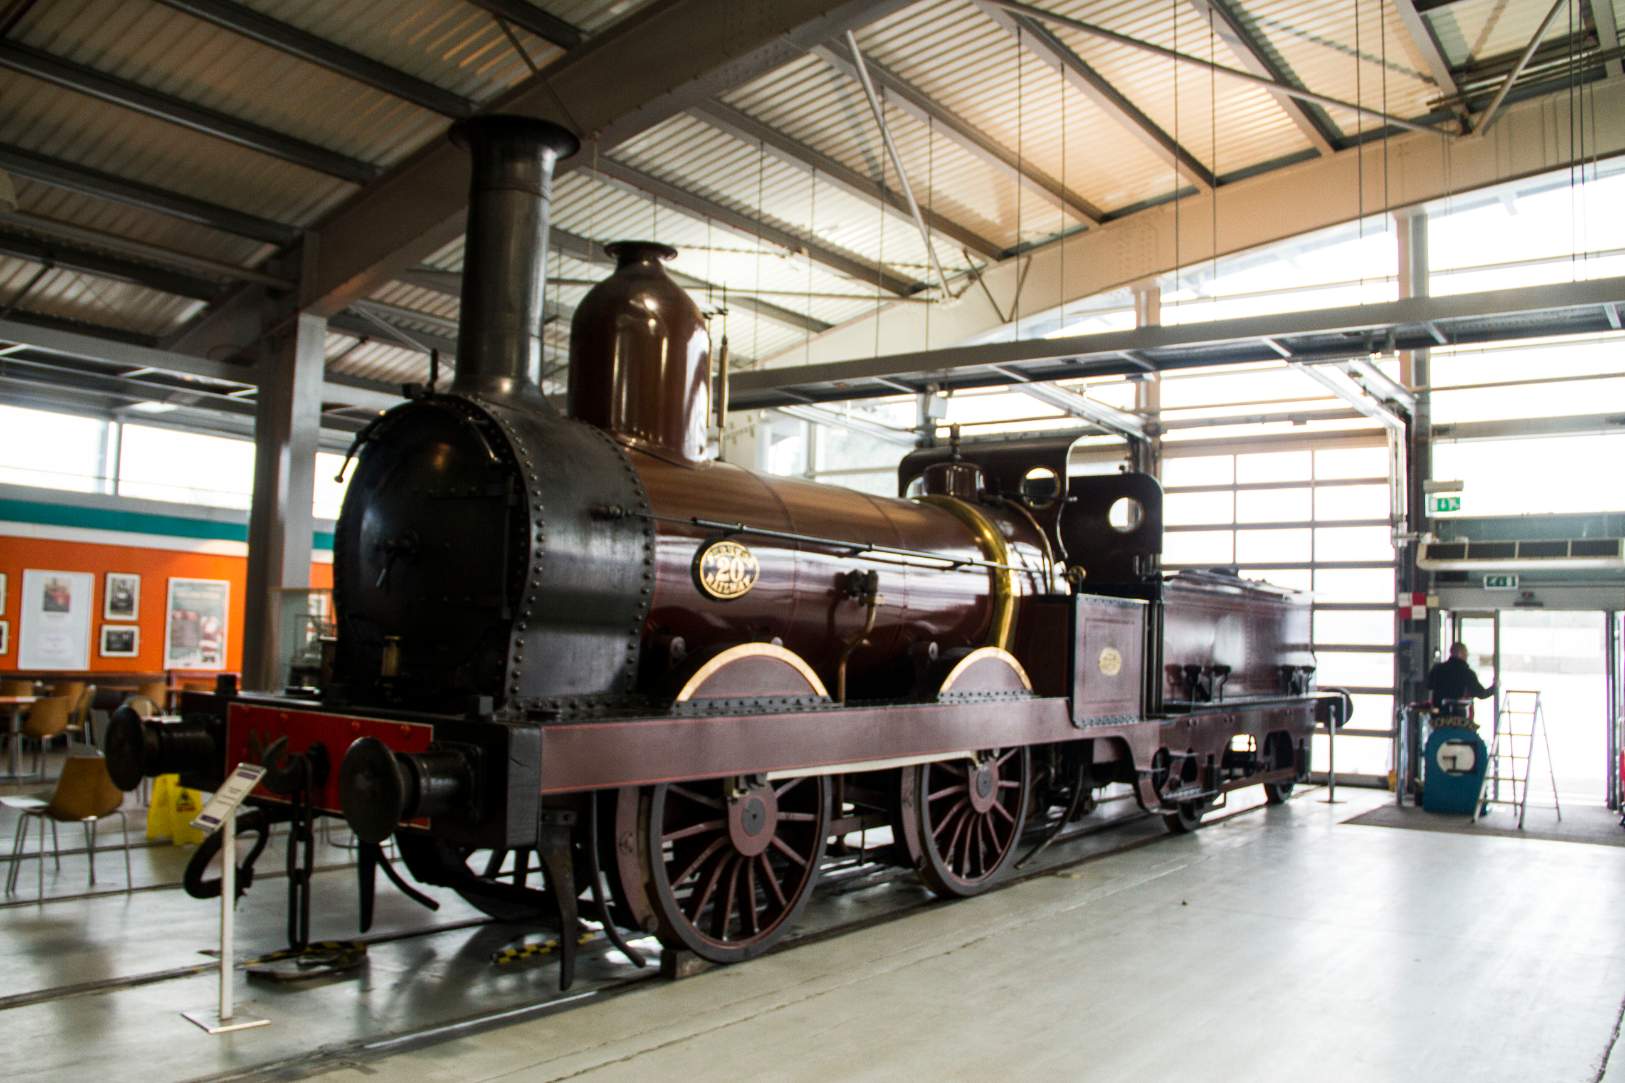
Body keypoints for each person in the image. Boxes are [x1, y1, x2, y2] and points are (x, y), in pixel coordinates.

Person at [1427, 643, 1495, 715]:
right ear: (1460, 654)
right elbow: (1481, 694)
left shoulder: (1437, 669)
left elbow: (1429, 686)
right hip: (1460, 718)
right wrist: (1494, 688)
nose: (1467, 656)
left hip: (1439, 716)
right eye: (1465, 653)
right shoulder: (1467, 673)